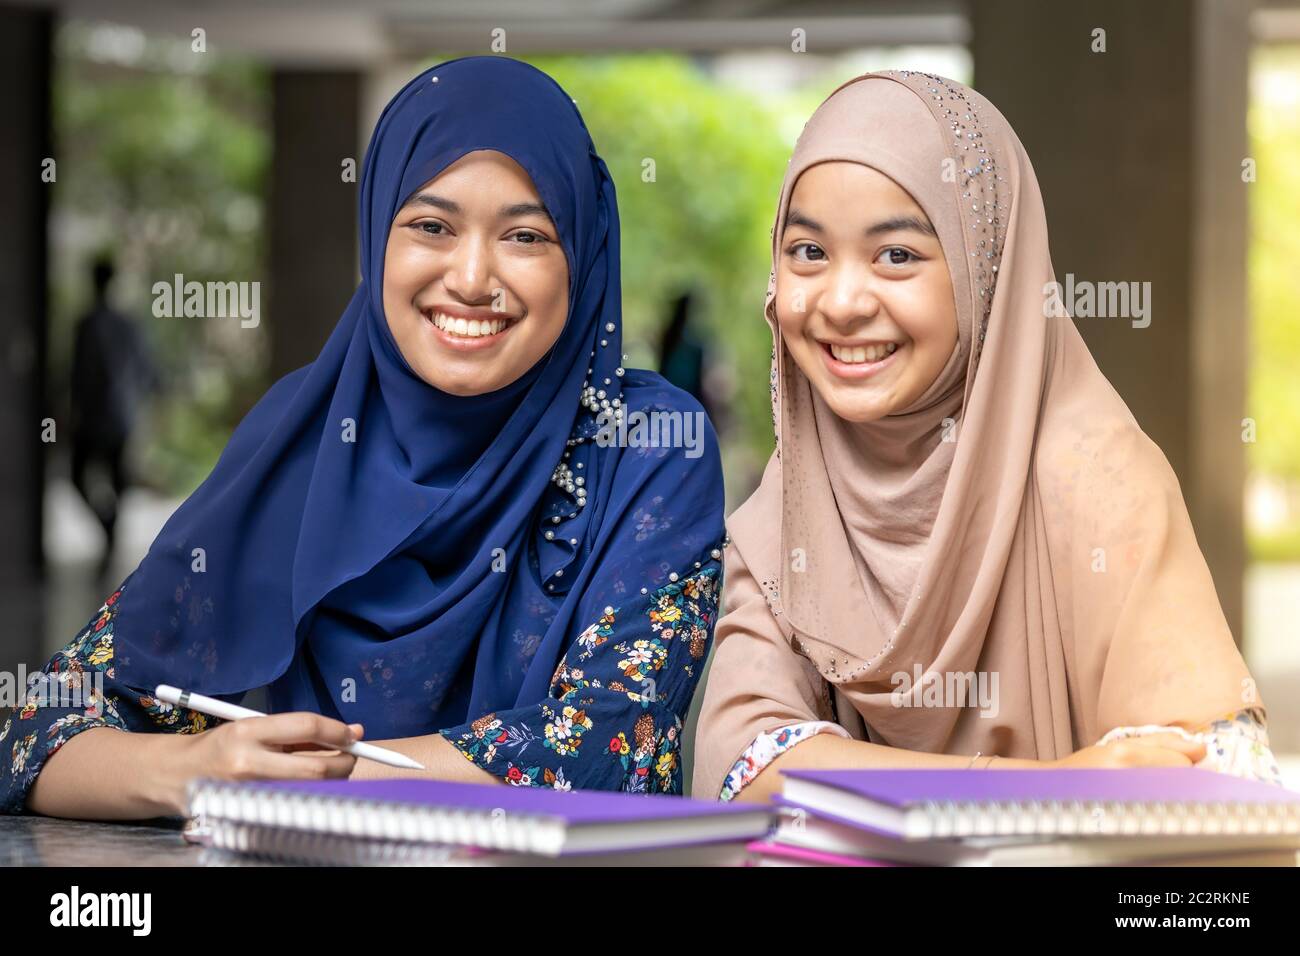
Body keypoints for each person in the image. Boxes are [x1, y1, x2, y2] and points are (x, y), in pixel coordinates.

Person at [2, 56, 726, 820]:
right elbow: (39, 732)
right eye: (431, 226)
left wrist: (309, 783)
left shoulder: (647, 445)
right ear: (377, 231)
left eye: (525, 235)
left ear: (582, 253)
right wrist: (197, 768)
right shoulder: (302, 435)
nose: (473, 277)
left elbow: (610, 752)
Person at [693, 70, 1280, 804]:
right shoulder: (794, 499)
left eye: (897, 255)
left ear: (987, 274)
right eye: (808, 252)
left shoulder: (1095, 475)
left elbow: (1215, 781)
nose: (840, 303)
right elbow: (745, 767)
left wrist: (842, 776)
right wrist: (1049, 788)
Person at [70, 254, 158, 581]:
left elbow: (77, 376)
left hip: (108, 416)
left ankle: (109, 537)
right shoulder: (105, 325)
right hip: (113, 415)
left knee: (105, 478)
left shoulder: (105, 325)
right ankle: (108, 530)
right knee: (88, 477)